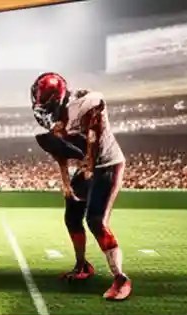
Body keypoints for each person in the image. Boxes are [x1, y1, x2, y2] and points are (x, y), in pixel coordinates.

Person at [30, 71, 131, 301]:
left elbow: (94, 140)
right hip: (86, 166)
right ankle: (82, 265)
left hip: (107, 164)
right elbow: (60, 154)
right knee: (72, 216)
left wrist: (88, 167)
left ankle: (121, 277)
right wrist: (66, 184)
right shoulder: (59, 119)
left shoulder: (84, 104)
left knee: (95, 220)